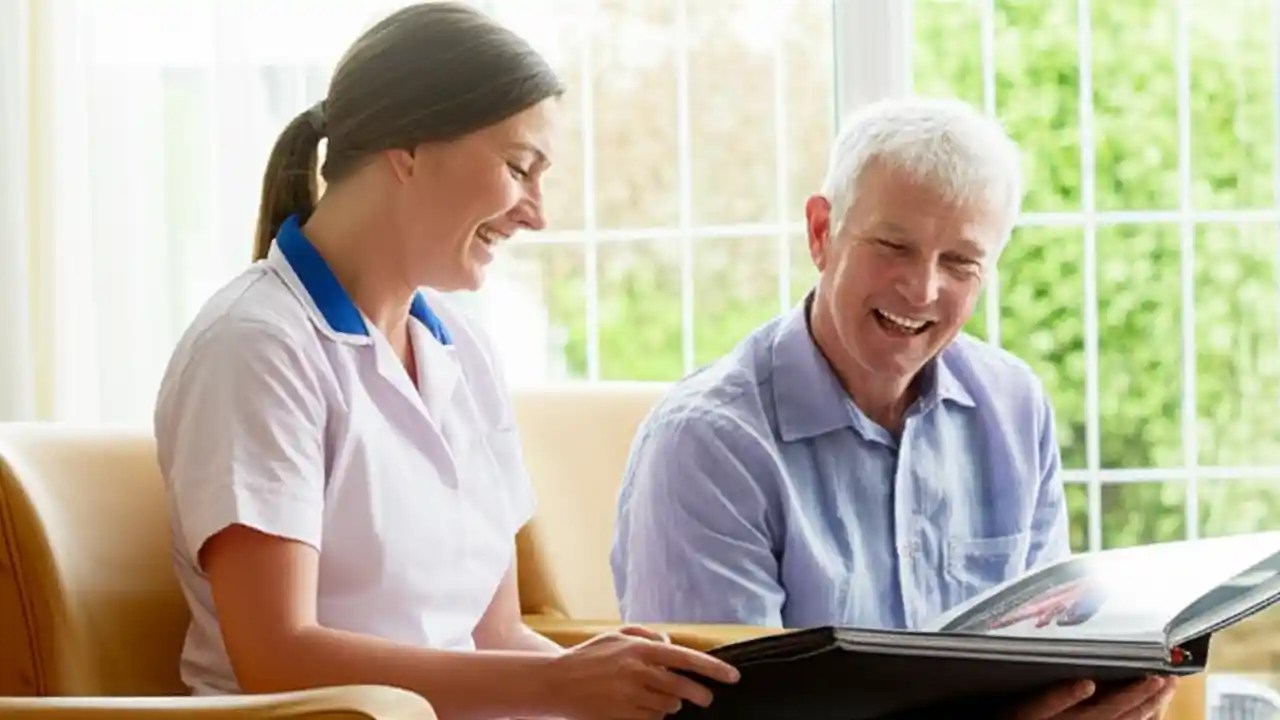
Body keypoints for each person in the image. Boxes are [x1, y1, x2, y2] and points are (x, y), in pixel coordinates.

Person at [152, 4, 738, 719]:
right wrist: (558, 686)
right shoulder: (256, 347)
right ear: (409, 149)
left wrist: (619, 694)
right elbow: (276, 654)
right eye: (520, 168)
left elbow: (493, 634)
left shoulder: (461, 349)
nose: (536, 213)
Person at [610, 96, 1176, 718]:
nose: (923, 288)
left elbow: (1043, 653)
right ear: (822, 232)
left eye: (960, 261)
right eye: (893, 246)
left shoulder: (1013, 408)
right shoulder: (708, 445)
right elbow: (729, 716)